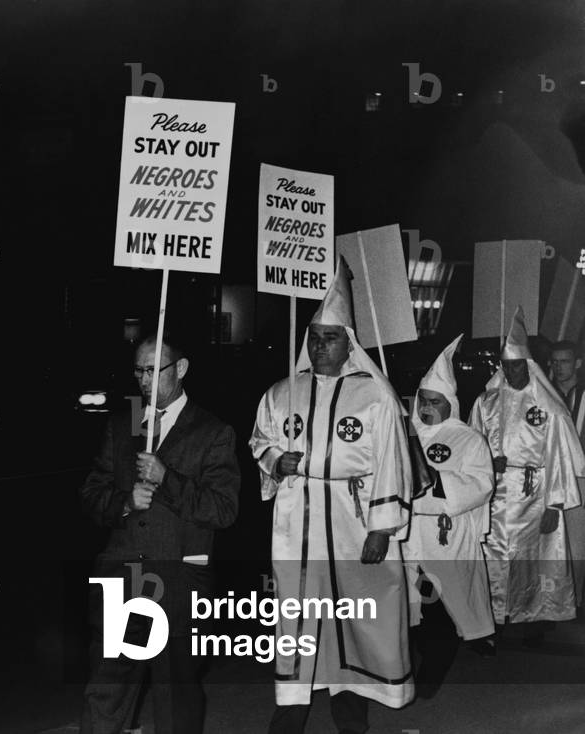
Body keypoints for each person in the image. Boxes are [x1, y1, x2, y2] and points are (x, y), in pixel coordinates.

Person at [249, 258, 414, 734]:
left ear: (349, 343)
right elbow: (259, 439)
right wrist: (274, 460)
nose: (320, 346)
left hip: (352, 523)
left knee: (355, 620)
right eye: (315, 337)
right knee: (297, 617)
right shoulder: (282, 392)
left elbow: (392, 462)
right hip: (297, 525)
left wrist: (382, 529)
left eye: (331, 337)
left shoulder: (375, 397)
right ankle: (290, 713)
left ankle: (351, 714)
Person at [80, 331, 240, 734]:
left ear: (181, 368)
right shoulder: (125, 423)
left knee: (174, 694)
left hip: (178, 579)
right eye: (139, 371)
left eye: (154, 370)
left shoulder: (213, 431)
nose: (144, 380)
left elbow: (223, 510)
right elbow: (91, 493)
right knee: (106, 688)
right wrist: (124, 502)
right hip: (123, 575)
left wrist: (166, 478)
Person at [470, 307, 585, 645]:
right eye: (506, 366)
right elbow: (470, 448)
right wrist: (488, 463)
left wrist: (555, 503)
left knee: (534, 559)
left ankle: (534, 615)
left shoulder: (548, 406)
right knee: (494, 555)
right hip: (496, 495)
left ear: (529, 365)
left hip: (535, 495)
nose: (512, 371)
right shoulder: (486, 403)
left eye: (518, 365)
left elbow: (560, 456)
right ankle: (494, 617)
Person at [401, 335, 494, 688]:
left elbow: (481, 484)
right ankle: (423, 658)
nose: (426, 408)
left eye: (435, 401)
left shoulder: (469, 439)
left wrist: (436, 479)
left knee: (444, 603)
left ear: (450, 403)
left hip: (446, 535)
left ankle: (435, 667)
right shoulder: (406, 434)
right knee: (413, 603)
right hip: (409, 534)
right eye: (422, 400)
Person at [548, 339, 585, 609]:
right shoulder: (545, 395)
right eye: (555, 361)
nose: (559, 367)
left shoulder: (583, 395)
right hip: (549, 476)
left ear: (578, 364)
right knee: (549, 543)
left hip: (580, 477)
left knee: (577, 543)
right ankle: (551, 600)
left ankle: (576, 600)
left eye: (565, 361)